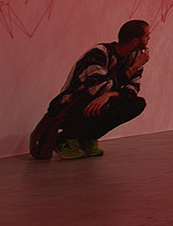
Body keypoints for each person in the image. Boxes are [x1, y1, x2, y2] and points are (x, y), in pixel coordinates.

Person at [33, 19, 150, 160]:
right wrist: (133, 69)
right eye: (147, 35)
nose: (149, 38)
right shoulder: (99, 53)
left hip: (100, 100)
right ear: (135, 41)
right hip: (71, 105)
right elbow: (97, 89)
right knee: (102, 104)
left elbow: (132, 90)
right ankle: (64, 139)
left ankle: (87, 138)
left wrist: (109, 95)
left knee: (136, 103)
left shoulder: (135, 57)